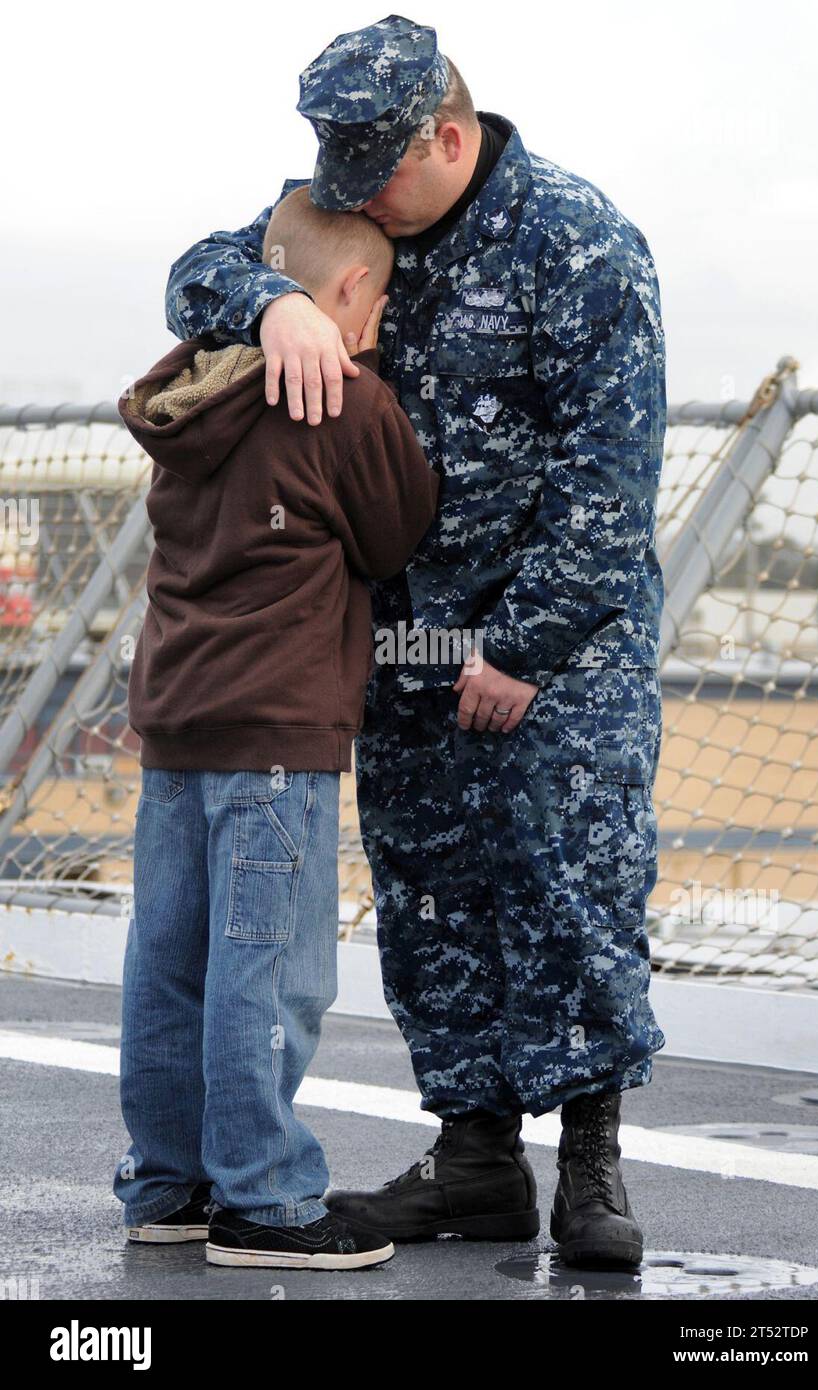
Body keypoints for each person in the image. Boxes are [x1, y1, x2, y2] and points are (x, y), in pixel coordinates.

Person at [164, 13, 667, 1270]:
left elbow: (611, 477)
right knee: (431, 898)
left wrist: (527, 644)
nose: (355, 203)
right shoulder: (345, 218)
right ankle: (476, 1158)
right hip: (403, 644)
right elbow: (193, 272)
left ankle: (592, 1161)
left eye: (373, 171)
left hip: (558, 645)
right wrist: (275, 299)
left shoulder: (581, 240)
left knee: (570, 885)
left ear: (447, 135)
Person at [113, 184, 439, 1270]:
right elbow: (397, 532)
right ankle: (266, 1197)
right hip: (278, 731)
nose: (379, 326)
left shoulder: (189, 387)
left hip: (177, 715)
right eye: (378, 303)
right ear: (348, 290)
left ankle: (170, 1184)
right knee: (271, 970)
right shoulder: (344, 397)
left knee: (172, 960)